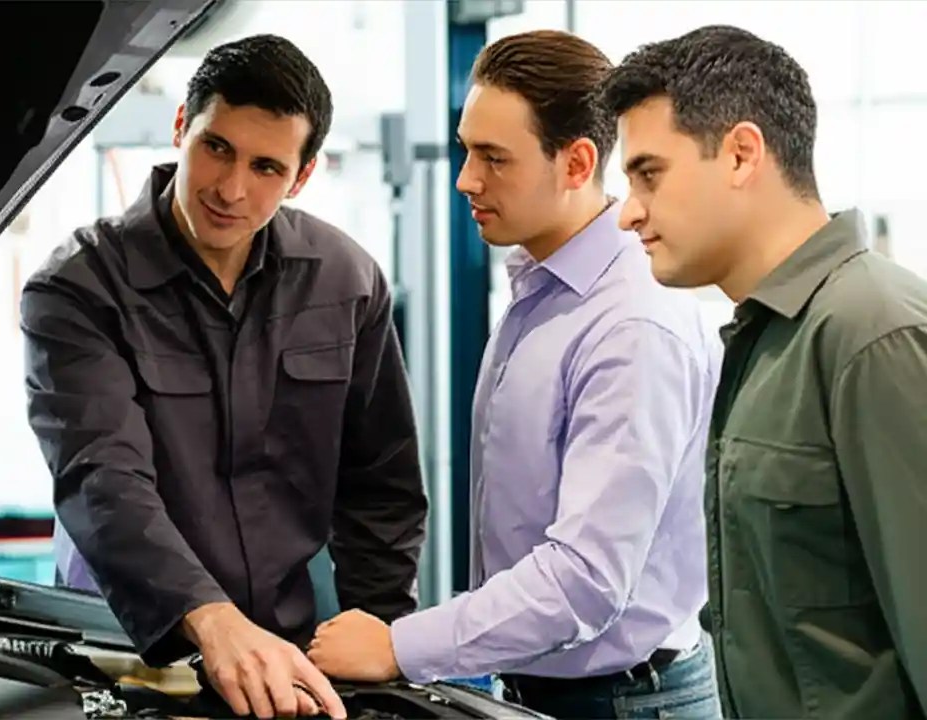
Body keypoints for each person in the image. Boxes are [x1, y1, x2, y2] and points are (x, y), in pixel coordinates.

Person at [308, 30, 722, 719]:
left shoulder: (631, 326)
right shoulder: (540, 293)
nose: (467, 178)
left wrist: (400, 645)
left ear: (577, 162)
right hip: (547, 690)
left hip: (623, 703)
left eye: (493, 158)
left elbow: (585, 580)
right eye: (467, 149)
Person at [20, 33, 428, 720]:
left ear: (301, 177)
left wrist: (377, 652)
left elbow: (380, 489)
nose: (232, 189)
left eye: (267, 167)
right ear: (182, 127)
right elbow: (105, 481)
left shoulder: (346, 282)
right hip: (125, 664)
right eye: (217, 148)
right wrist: (208, 618)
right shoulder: (79, 289)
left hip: (286, 662)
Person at [600, 24, 927, 720]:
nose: (628, 213)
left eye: (648, 173)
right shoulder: (763, 339)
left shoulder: (873, 332)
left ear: (743, 154)